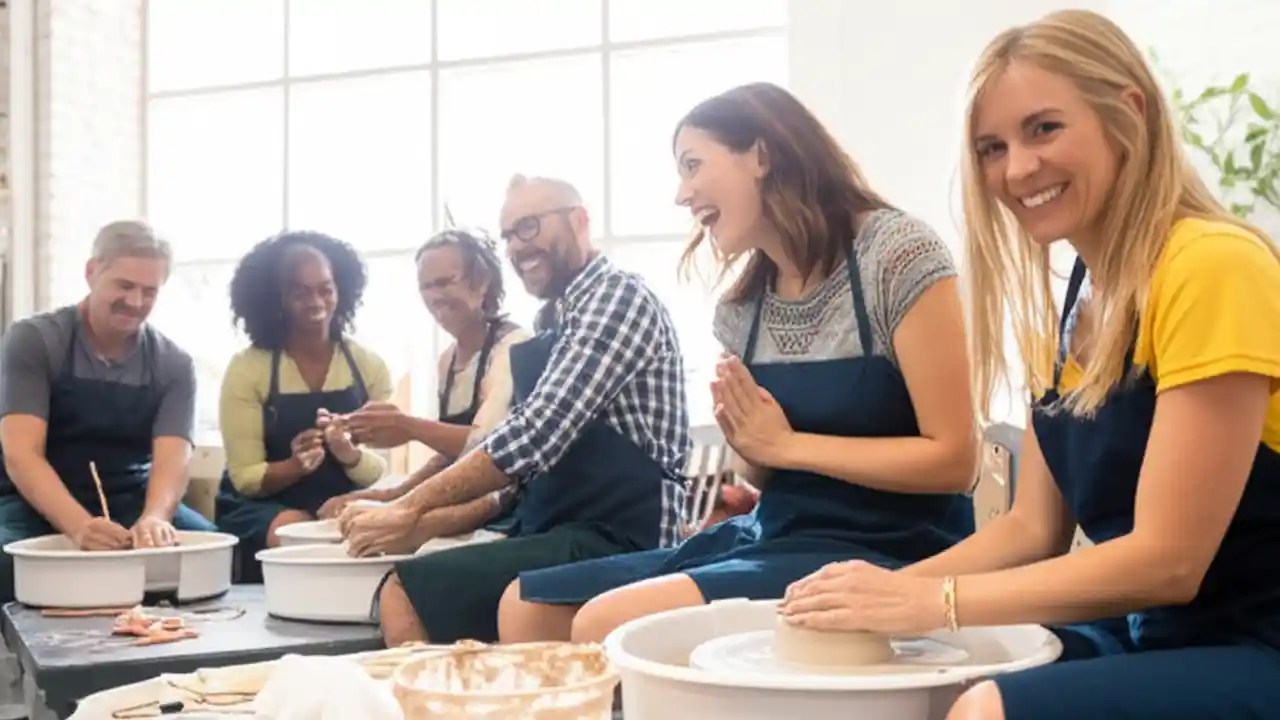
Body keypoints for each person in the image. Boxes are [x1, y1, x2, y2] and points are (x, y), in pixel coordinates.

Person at [779, 10, 1280, 720]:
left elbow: (1169, 560)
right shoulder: (1076, 298)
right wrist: (870, 596)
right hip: (1158, 635)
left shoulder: (1212, 266)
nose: (1016, 169)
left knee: (983, 708)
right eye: (990, 147)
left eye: (1043, 128)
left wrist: (930, 602)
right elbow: (1031, 530)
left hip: (1258, 643)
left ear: (1129, 114)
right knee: (915, 687)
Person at [497, 83, 978, 644]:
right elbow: (764, 472)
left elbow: (954, 460)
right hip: (775, 532)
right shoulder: (742, 307)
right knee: (526, 606)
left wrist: (786, 445)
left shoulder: (897, 255)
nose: (682, 193)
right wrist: (751, 449)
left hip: (890, 547)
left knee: (603, 623)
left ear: (762, 154)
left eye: (693, 165)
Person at [339, 175, 691, 646]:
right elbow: (515, 475)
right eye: (507, 235)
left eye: (528, 227)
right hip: (558, 526)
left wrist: (408, 505)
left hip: (622, 536)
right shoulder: (554, 319)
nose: (516, 247)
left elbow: (536, 434)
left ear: (580, 220)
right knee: (419, 573)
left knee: (407, 591)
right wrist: (413, 520)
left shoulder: (616, 298)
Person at [0, 220, 216, 602]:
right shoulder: (33, 339)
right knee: (6, 562)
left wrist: (155, 518)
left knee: (208, 553)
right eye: (124, 286)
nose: (135, 302)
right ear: (91, 272)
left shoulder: (174, 364)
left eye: (149, 291)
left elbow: (173, 460)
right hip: (30, 499)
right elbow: (21, 455)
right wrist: (79, 526)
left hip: (130, 496)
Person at [318, 228, 531, 542]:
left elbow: (491, 448)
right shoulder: (448, 360)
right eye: (425, 286)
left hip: (511, 508)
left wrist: (409, 427)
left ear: (481, 283)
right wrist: (389, 495)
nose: (434, 296)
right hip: (469, 498)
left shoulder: (513, 347)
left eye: (445, 282)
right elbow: (449, 458)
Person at [214, 231, 391, 581]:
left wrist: (346, 453)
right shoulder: (249, 368)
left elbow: (376, 471)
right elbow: (247, 478)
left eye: (325, 288)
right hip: (262, 505)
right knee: (301, 537)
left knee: (347, 533)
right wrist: (296, 465)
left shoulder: (367, 366)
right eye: (300, 292)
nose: (316, 302)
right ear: (276, 299)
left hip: (339, 502)